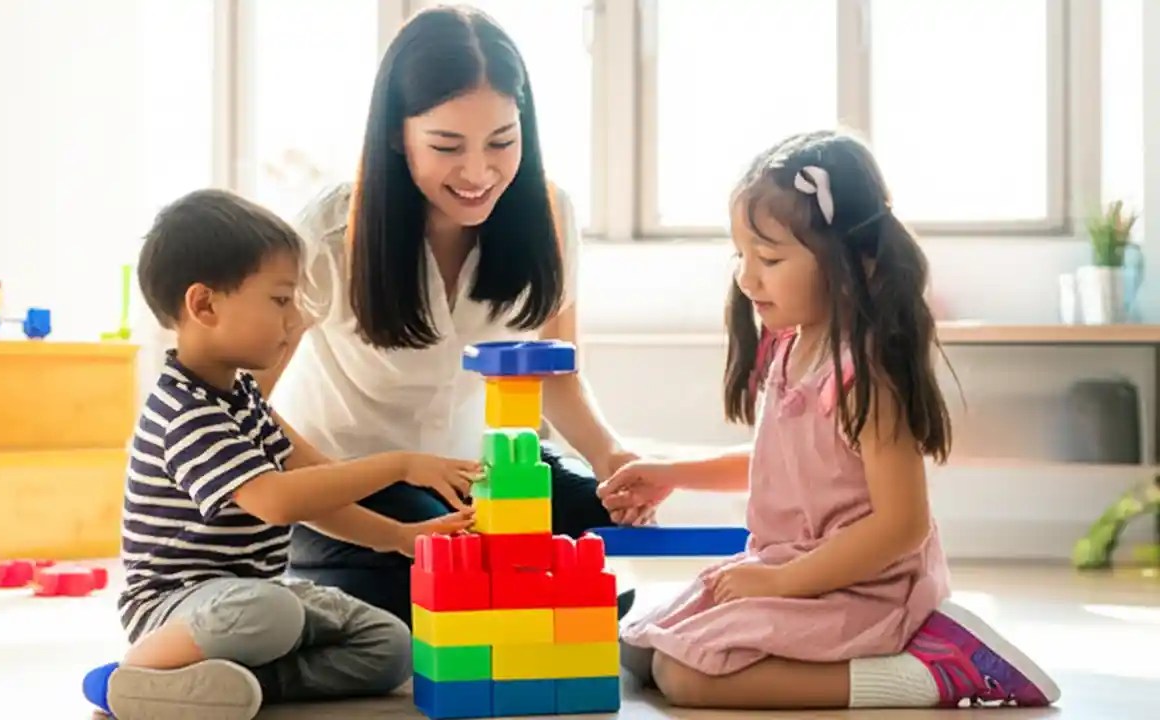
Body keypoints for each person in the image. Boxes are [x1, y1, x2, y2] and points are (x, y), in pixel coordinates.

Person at [597, 130, 1061, 710]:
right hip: (798, 570)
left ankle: (935, 671)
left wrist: (780, 583)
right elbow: (791, 464)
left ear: (853, 264)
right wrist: (673, 472)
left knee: (686, 676)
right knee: (644, 647)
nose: (746, 278)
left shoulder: (866, 376)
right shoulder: (792, 349)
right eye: (740, 255)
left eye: (769, 258)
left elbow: (902, 527)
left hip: (864, 586)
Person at [255, 5, 637, 627]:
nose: (479, 173)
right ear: (395, 136)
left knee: (595, 518)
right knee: (431, 541)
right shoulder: (328, 235)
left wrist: (612, 460)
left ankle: (518, 597)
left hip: (474, 480)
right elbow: (251, 406)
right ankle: (513, 601)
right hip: (353, 490)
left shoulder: (550, 215)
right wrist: (332, 490)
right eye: (446, 146)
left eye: (502, 142)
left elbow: (556, 375)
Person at [82, 189, 481, 720]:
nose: (296, 321)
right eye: (280, 300)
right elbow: (276, 501)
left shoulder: (242, 397)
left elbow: (316, 485)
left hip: (255, 597)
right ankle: (132, 676)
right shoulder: (184, 410)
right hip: (177, 607)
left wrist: (401, 539)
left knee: (391, 646)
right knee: (271, 613)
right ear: (204, 305)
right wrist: (401, 462)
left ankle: (225, 683)